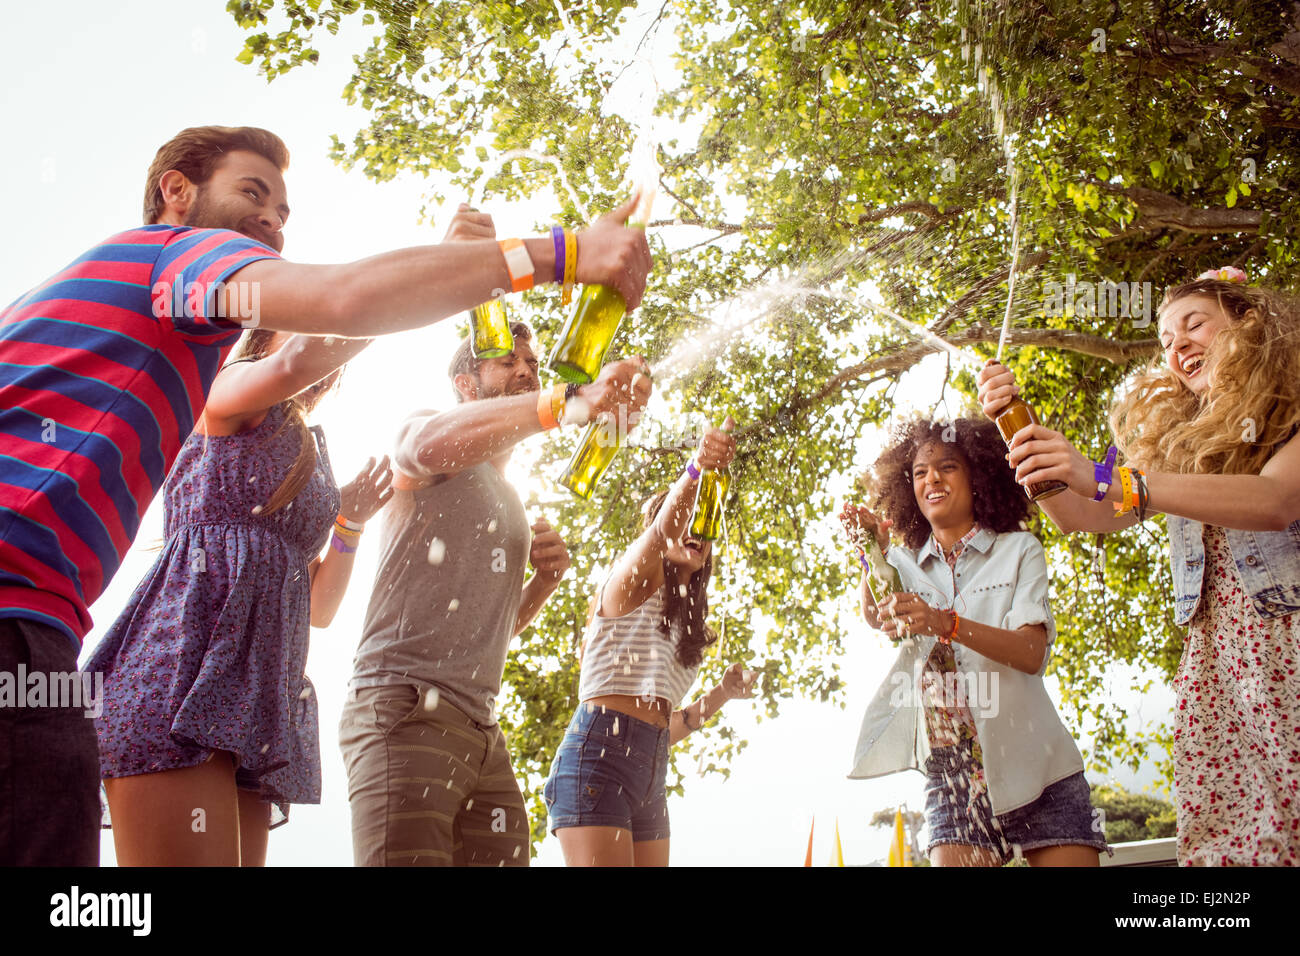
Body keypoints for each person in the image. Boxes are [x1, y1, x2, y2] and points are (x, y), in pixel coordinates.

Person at [0, 125, 651, 864]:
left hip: (245, 686)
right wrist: (540, 258)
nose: (273, 222)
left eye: (283, 211)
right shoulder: (215, 368)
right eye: (253, 194)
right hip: (177, 660)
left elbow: (317, 606)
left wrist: (346, 522)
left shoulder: (278, 428)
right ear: (176, 193)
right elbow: (333, 317)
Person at [977, 267, 1300, 866]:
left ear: (1250, 323)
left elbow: (1275, 501)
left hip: (1287, 648)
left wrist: (1104, 477)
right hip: (1216, 659)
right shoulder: (1174, 442)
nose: (1178, 347)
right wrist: (1013, 421)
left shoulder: (1295, 408)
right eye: (1167, 339)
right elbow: (1083, 515)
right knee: (1232, 844)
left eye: (1194, 324)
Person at [340, 284, 653, 865]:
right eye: (507, 361)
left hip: (483, 731)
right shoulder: (431, 429)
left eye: (533, 363)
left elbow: (495, 630)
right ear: (465, 385)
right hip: (405, 706)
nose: (526, 370)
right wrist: (573, 401)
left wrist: (542, 584)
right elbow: (423, 448)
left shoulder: (510, 498)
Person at [85, 321, 391, 865]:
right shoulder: (226, 389)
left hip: (253, 711)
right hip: (180, 679)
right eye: (305, 325)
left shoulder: (311, 451)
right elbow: (293, 361)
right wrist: (374, 307)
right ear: (262, 338)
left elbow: (317, 609)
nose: (327, 356)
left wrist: (348, 525)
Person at [844, 418, 1107, 866]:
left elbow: (1030, 653)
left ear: (978, 476)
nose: (932, 479)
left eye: (948, 467)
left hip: (1042, 769)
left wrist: (944, 622)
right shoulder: (902, 562)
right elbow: (875, 615)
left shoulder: (1019, 550)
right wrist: (874, 550)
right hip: (954, 779)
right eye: (920, 473)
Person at [544, 418, 757, 867]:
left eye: (704, 519)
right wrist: (698, 467)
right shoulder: (629, 583)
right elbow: (663, 531)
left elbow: (668, 726)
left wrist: (722, 693)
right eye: (688, 515)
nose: (695, 527)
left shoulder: (686, 620)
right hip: (597, 758)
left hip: (650, 770)